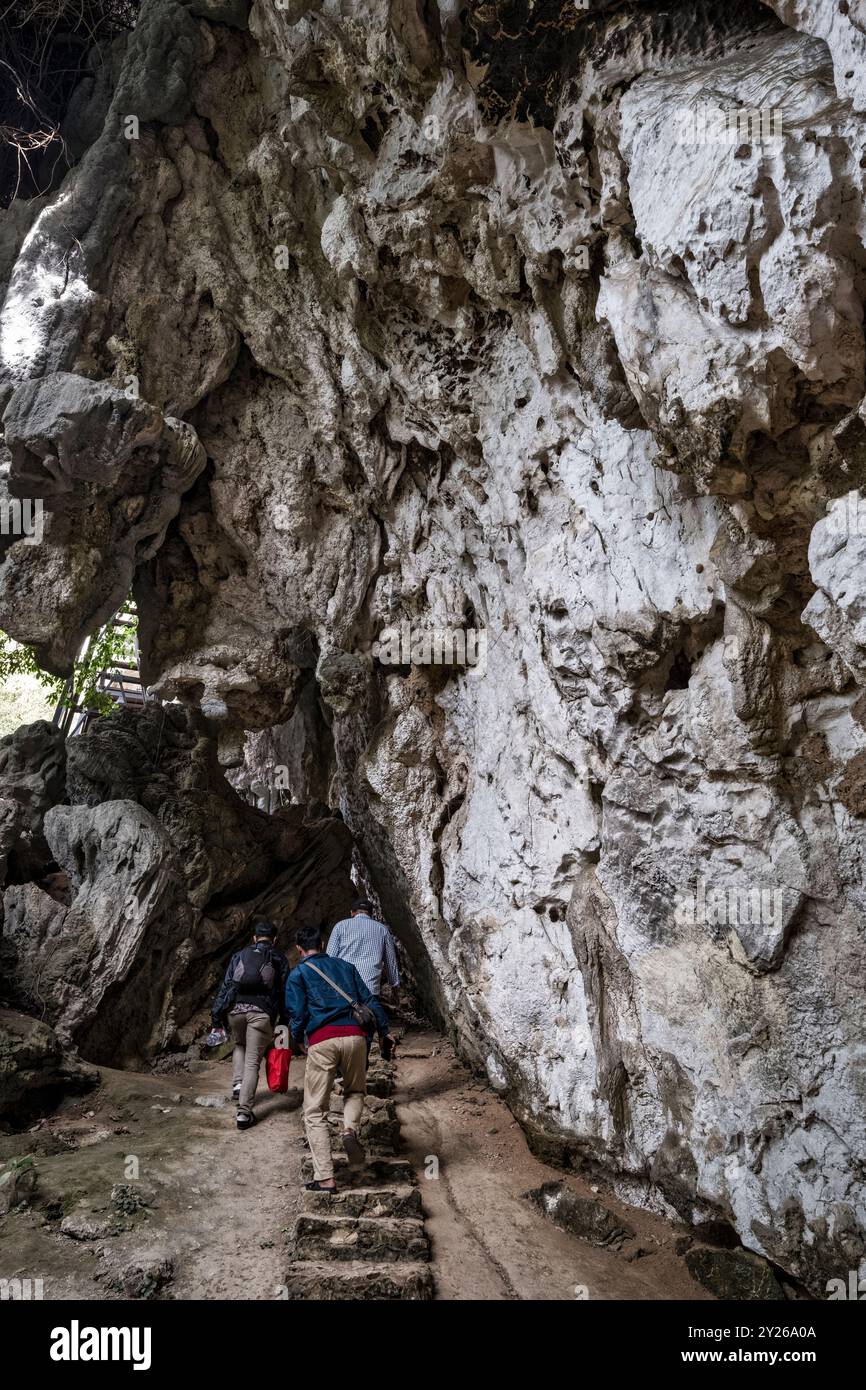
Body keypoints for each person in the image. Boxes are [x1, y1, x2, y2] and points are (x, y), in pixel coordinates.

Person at [285, 924, 395, 1192]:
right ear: (322, 944)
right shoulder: (346, 967)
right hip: (356, 1037)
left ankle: (325, 1177)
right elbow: (369, 999)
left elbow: (297, 1013)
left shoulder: (298, 973)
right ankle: (349, 1130)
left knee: (314, 1110)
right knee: (355, 1090)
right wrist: (384, 1031)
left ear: (300, 950)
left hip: (323, 1039)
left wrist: (298, 1039)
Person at [211, 920, 290, 1131]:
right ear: (275, 940)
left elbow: (227, 986)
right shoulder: (278, 958)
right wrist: (284, 1020)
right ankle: (244, 1113)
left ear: (254, 938)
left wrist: (217, 1015)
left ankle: (238, 1084)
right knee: (253, 1062)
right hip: (260, 1013)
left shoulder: (239, 955)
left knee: (240, 1044)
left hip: (235, 1012)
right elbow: (283, 993)